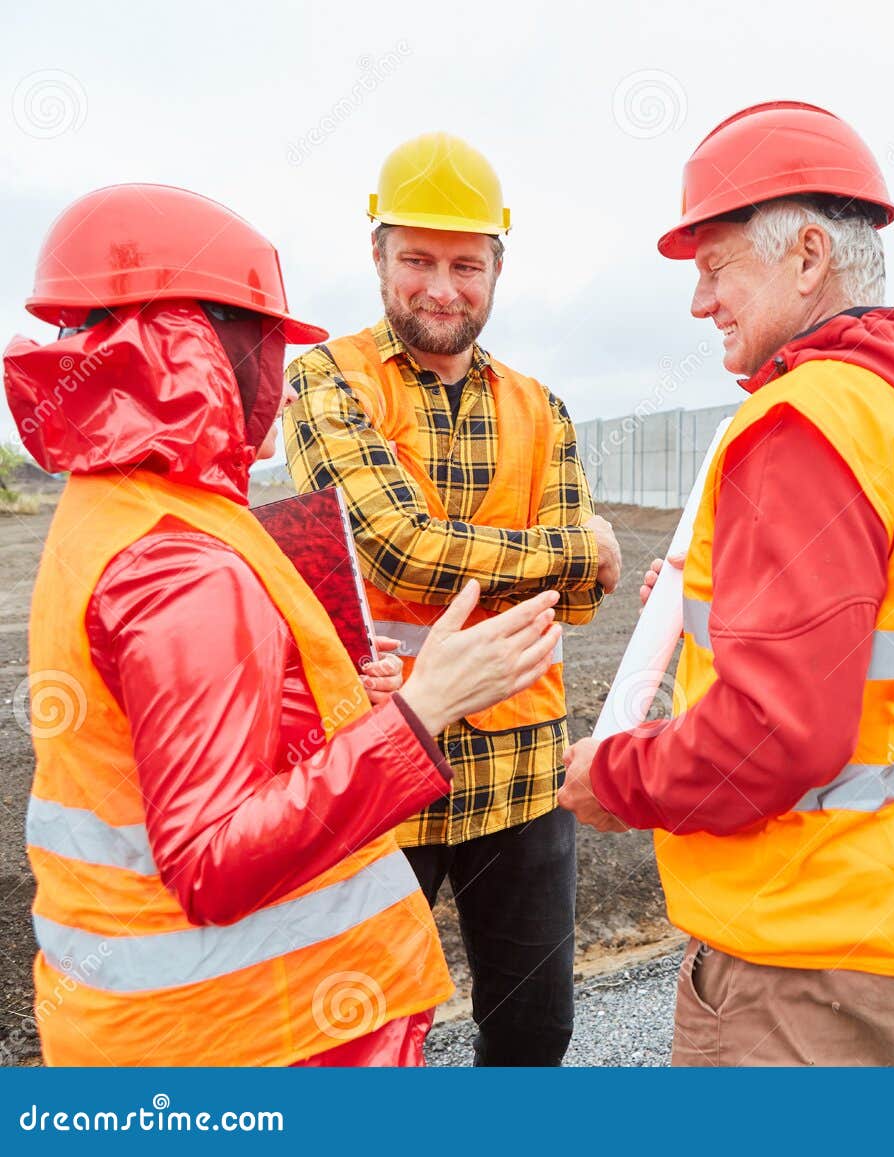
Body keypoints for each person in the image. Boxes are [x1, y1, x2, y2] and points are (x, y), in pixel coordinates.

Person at [5, 183, 563, 1066]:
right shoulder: (178, 560)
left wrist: (321, 693)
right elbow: (215, 859)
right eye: (263, 343)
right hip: (260, 1038)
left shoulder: (126, 507)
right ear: (197, 345)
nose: (273, 376)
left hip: (178, 1035)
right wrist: (423, 711)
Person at [559, 102, 894, 1066]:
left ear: (807, 256)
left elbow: (774, 735)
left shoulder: (804, 421)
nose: (699, 301)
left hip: (806, 955)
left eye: (716, 265)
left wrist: (615, 774)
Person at [282, 133, 620, 1066]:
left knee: (533, 1032)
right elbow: (393, 545)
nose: (442, 287)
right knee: (365, 1032)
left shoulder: (540, 406)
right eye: (418, 260)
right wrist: (571, 549)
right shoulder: (325, 379)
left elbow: (577, 604)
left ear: (497, 270)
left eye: (465, 265)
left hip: (521, 772)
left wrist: (570, 572)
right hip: (381, 764)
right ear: (379, 258)